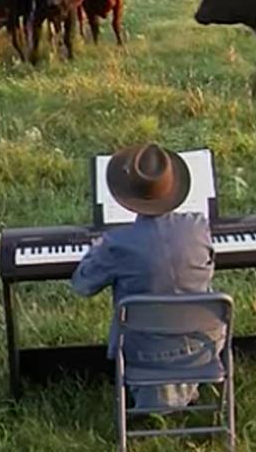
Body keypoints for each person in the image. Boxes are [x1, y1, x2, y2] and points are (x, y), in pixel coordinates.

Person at [71, 143, 222, 411]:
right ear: (174, 189)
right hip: (206, 345)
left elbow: (82, 284)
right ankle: (187, 389)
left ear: (125, 196)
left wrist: (97, 250)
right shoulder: (199, 227)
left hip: (144, 352)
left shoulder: (118, 243)